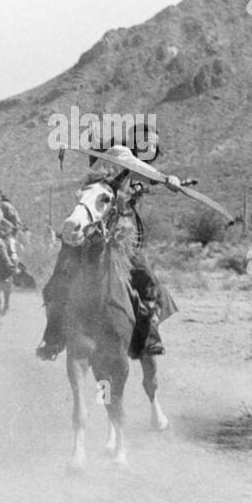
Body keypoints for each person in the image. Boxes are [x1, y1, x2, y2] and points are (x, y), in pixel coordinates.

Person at [36, 124, 180, 361]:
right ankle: (53, 336)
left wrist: (166, 182)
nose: (151, 149)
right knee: (58, 282)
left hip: (118, 235)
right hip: (95, 232)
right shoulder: (119, 153)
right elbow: (140, 169)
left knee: (148, 282)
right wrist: (166, 179)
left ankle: (147, 335)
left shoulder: (133, 171)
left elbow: (142, 175)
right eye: (147, 144)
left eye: (153, 146)